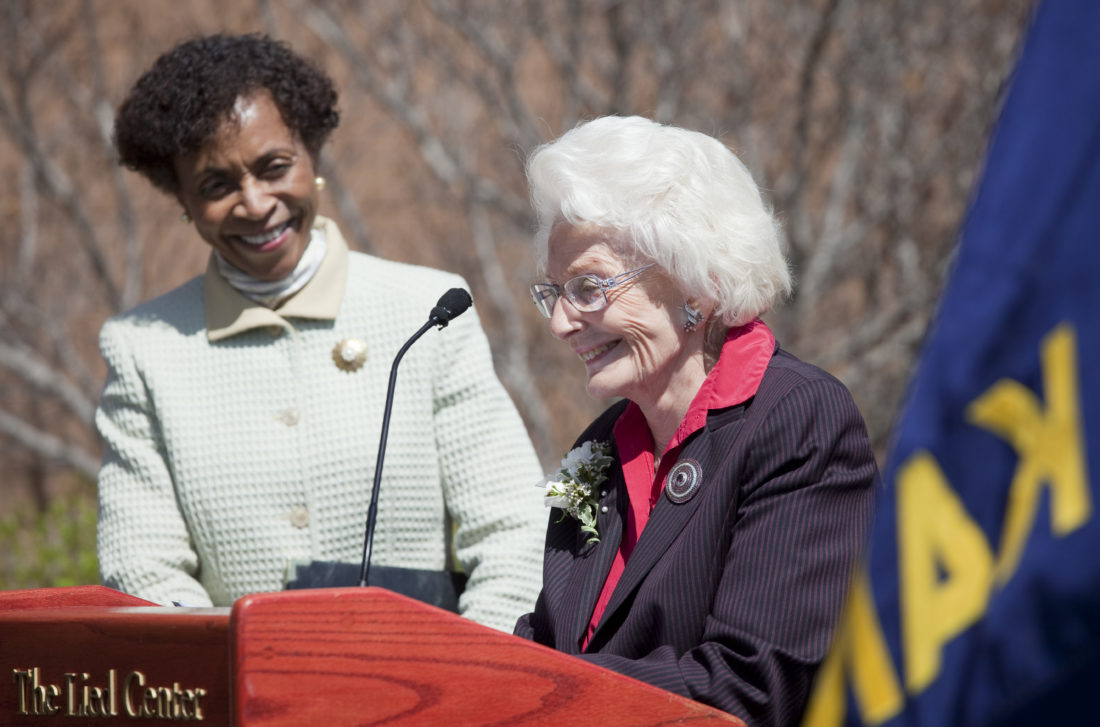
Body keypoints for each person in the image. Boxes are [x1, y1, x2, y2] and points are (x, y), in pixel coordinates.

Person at [95, 33, 546, 633]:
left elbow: (513, 527)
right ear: (181, 199)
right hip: (241, 687)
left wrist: (470, 671)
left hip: (435, 682)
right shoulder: (143, 350)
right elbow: (142, 567)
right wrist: (242, 672)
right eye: (216, 185)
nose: (256, 204)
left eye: (274, 168)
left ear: (312, 157)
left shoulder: (428, 310)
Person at [514, 116, 878, 724]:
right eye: (555, 292)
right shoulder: (598, 448)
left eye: (589, 287)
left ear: (696, 285)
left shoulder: (799, 419)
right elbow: (548, 640)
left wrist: (547, 692)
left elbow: (753, 684)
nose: (559, 323)